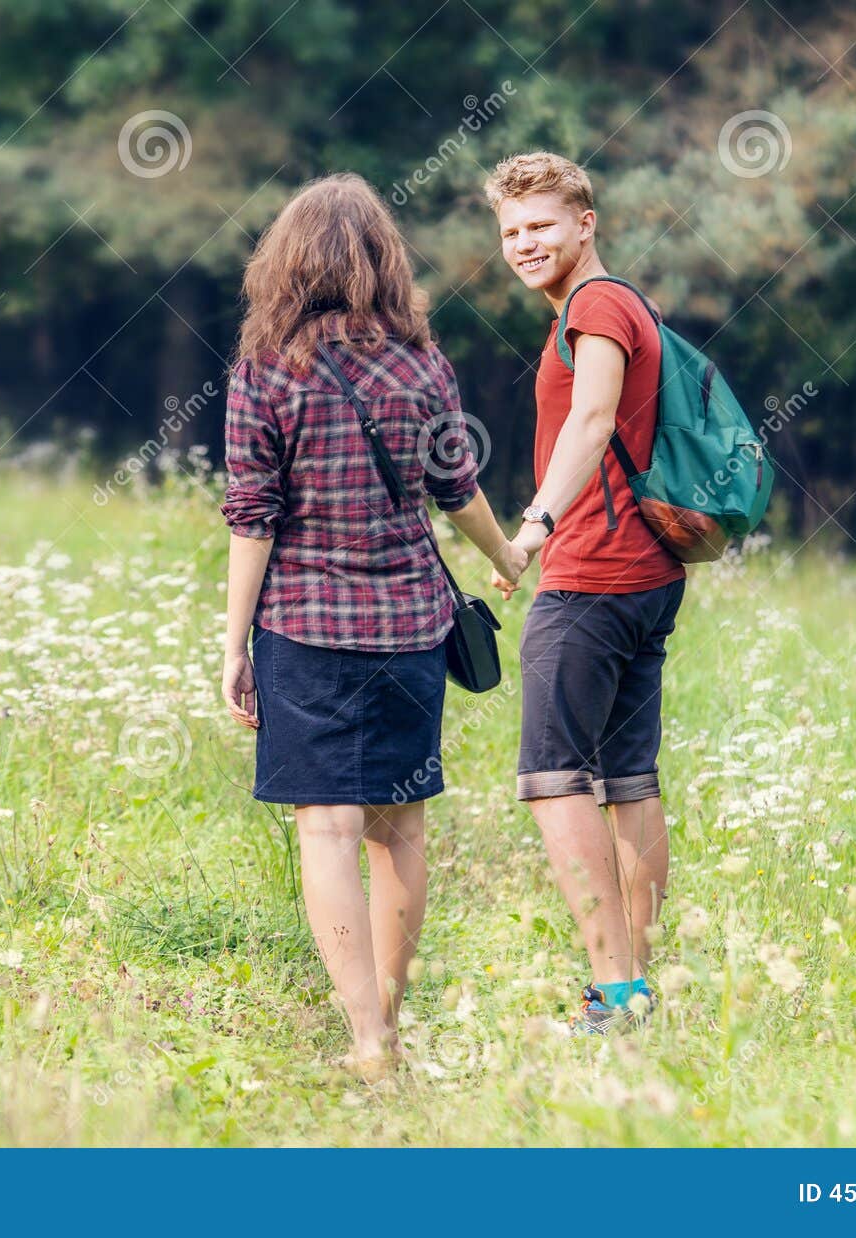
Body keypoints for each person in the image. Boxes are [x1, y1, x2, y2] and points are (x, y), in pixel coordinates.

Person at [220, 172, 527, 1077]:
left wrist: (233, 644)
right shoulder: (422, 364)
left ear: (286, 263)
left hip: (306, 628)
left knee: (328, 830)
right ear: (385, 261)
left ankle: (367, 1037)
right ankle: (388, 1014)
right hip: (408, 629)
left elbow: (253, 516)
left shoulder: (266, 370)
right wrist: (507, 559)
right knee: (402, 827)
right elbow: (456, 486)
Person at [484, 152, 687, 1033]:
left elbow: (594, 416)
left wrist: (532, 526)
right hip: (646, 574)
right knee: (628, 777)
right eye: (511, 232)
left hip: (594, 573)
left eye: (541, 226)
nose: (525, 244)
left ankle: (614, 990)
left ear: (585, 224)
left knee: (555, 778)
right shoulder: (614, 303)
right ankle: (635, 983)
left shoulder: (598, 306)